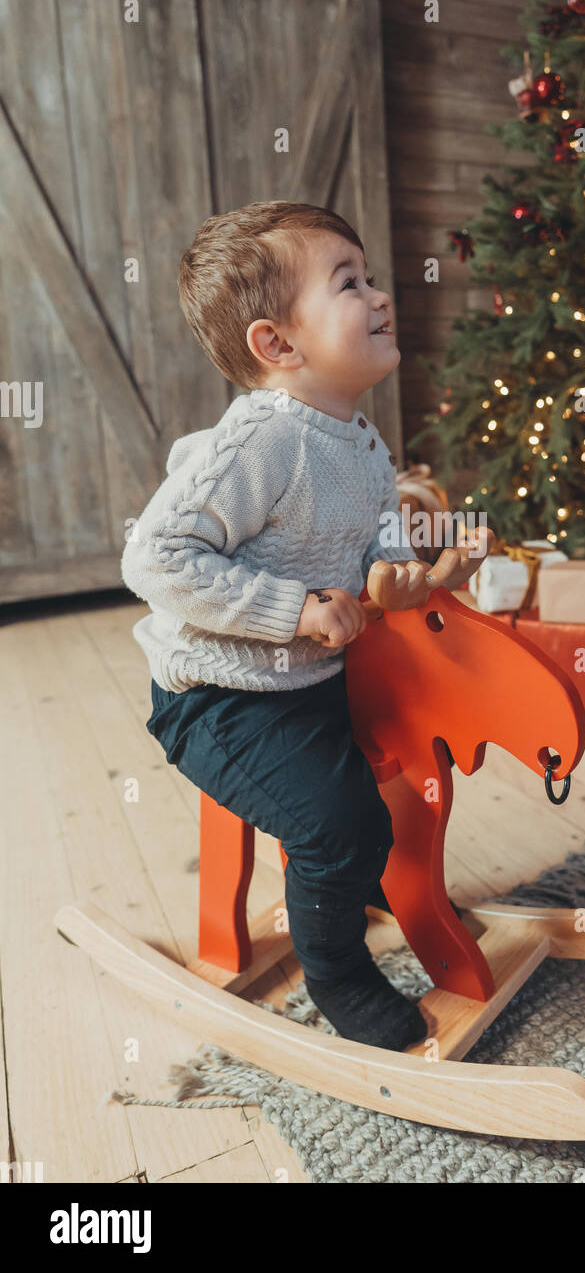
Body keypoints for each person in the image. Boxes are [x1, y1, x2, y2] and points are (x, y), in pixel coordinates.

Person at [121, 201, 489, 1051]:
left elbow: (378, 540)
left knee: (397, 782)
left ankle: (373, 880)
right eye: (349, 284)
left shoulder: (358, 440)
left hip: (313, 681)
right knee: (338, 821)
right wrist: (293, 610)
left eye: (370, 277)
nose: (380, 296)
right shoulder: (259, 444)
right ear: (277, 345)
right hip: (220, 699)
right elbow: (155, 559)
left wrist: (414, 576)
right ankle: (339, 974)